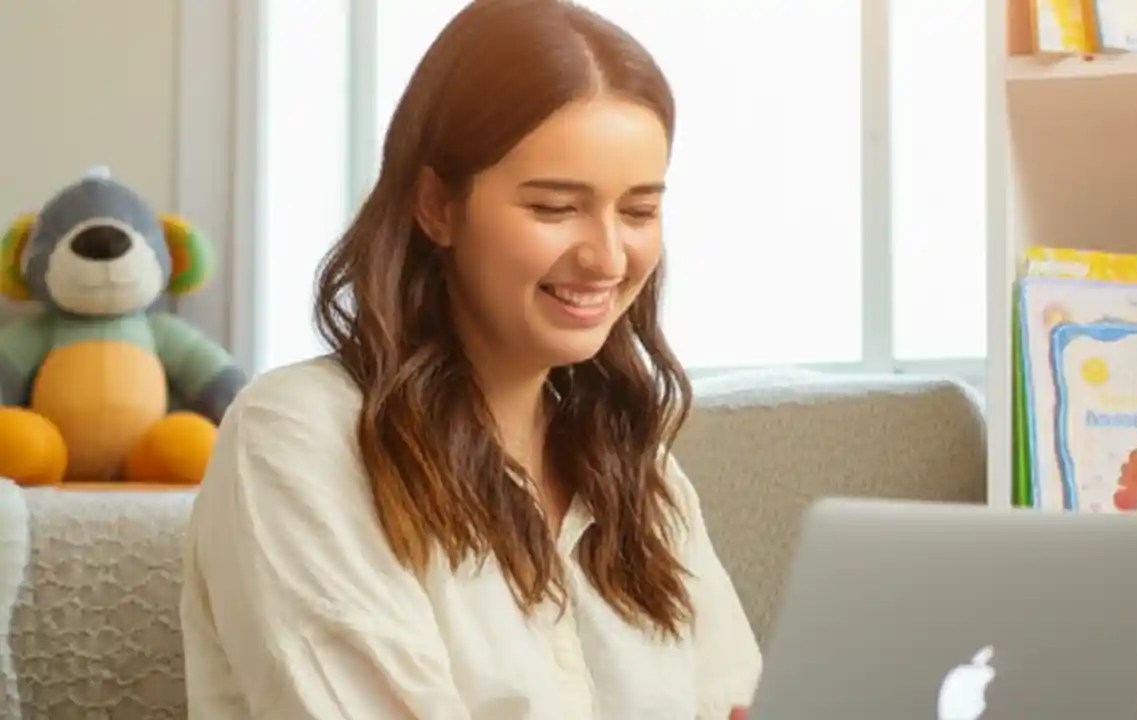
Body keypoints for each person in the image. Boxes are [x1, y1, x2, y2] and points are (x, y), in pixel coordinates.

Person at [179, 0, 763, 718]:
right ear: (438, 205)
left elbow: (736, 706)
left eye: (638, 212)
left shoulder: (642, 475)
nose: (607, 257)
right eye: (554, 208)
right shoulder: (297, 437)